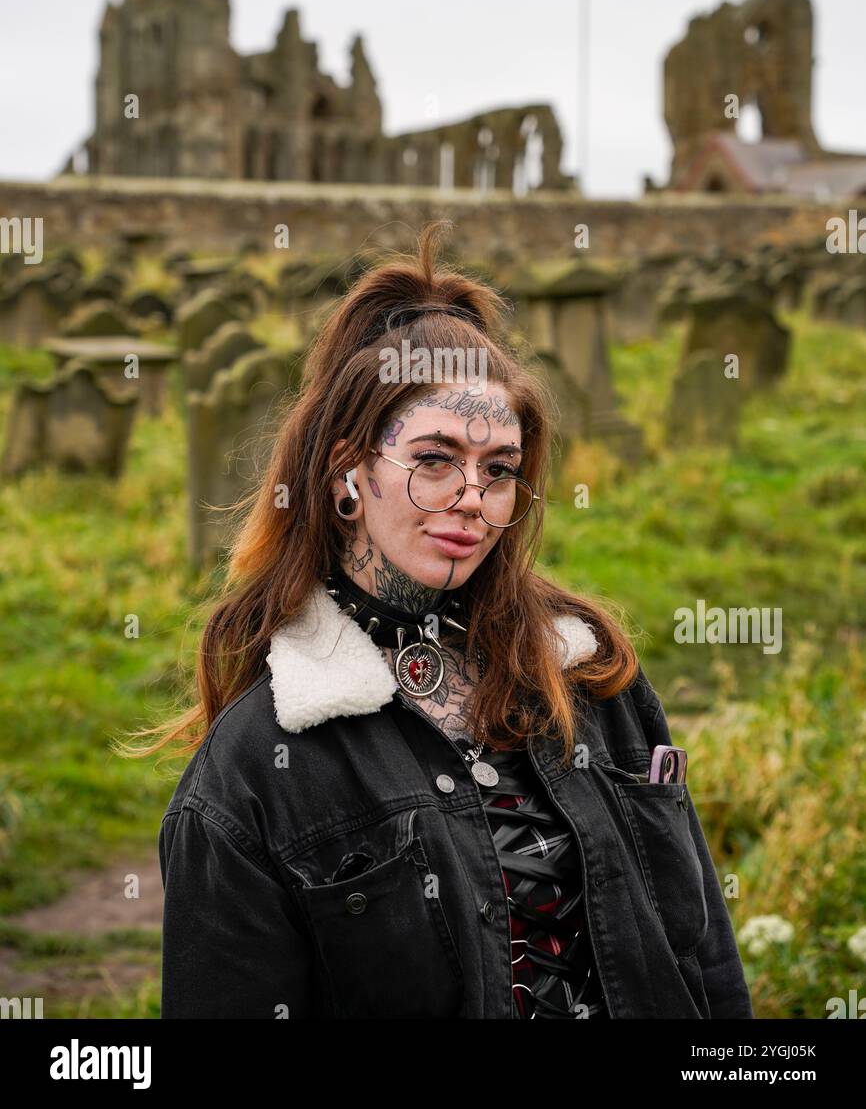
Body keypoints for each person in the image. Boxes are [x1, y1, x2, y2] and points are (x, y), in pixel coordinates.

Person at [131, 222, 753, 1019]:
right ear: (347, 474)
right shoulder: (253, 772)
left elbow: (704, 958)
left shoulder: (591, 676)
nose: (471, 495)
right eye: (434, 459)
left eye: (499, 471)